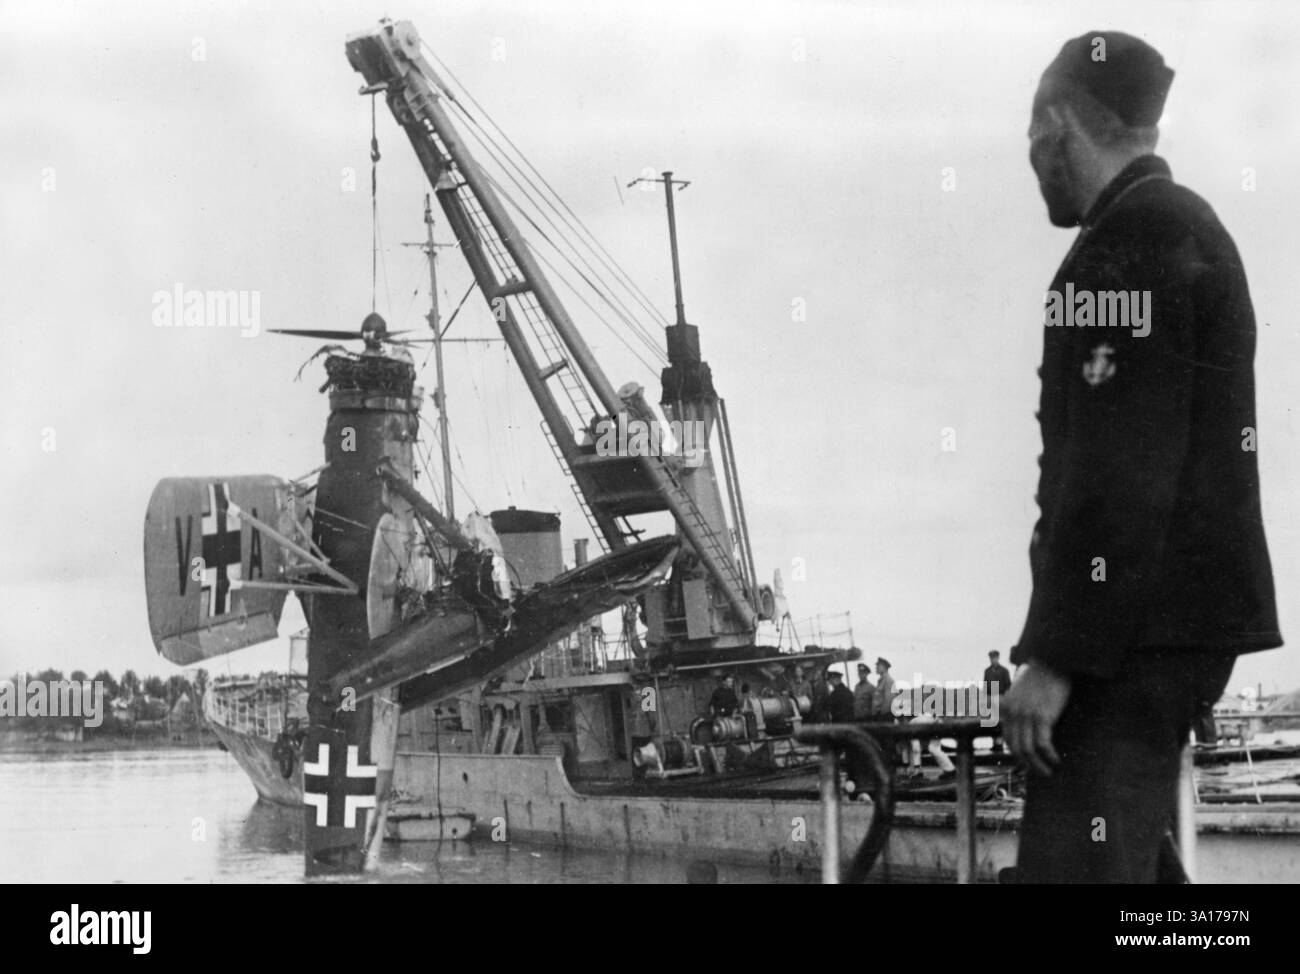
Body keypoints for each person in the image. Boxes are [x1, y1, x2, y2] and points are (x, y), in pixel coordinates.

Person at [1004, 32, 1282, 884]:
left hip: (1129, 637)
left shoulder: (1122, 248)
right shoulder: (1189, 229)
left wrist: (1053, 657)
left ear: (1057, 125)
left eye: (1029, 138)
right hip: (1176, 627)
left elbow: (1119, 468)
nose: (1030, 160)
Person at [983, 650, 1013, 752]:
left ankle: (999, 743)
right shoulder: (987, 671)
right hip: (991, 697)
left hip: (1000, 696)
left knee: (1000, 721)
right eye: (991, 658)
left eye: (994, 658)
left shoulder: (1004, 671)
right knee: (992, 721)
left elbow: (1008, 685)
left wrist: (1006, 699)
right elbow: (986, 685)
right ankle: (995, 743)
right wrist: (986, 698)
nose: (993, 660)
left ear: (998, 658)